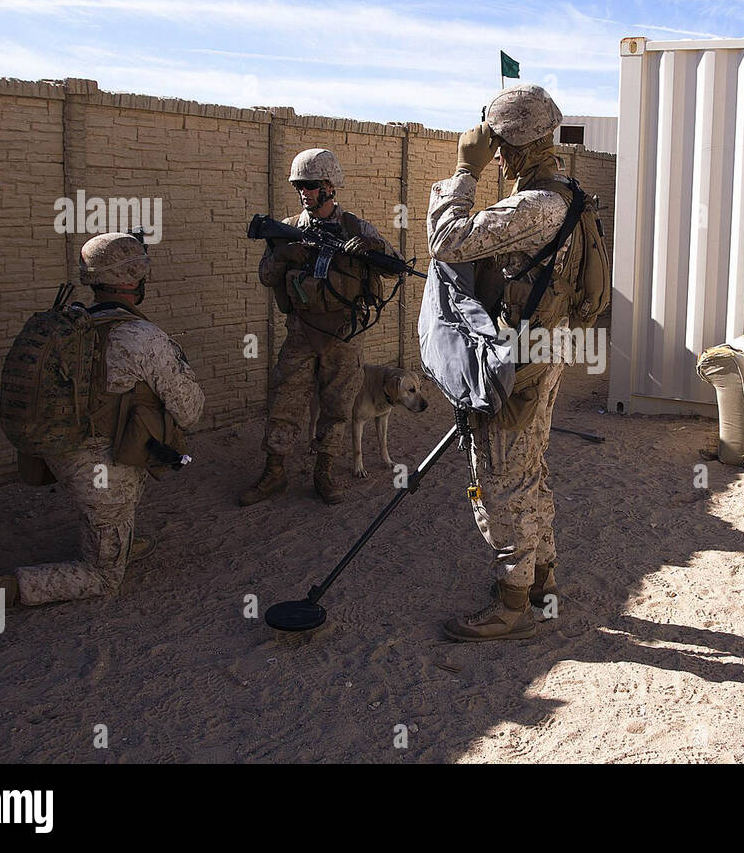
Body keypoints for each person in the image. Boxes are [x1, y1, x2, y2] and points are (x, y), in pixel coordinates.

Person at [0, 232, 204, 606]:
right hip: (102, 465)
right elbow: (190, 410)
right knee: (103, 577)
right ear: (132, 280)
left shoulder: (69, 321)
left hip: (55, 448)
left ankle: (116, 537)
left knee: (117, 495)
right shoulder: (141, 336)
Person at [426, 84, 573, 642]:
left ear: (510, 147)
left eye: (498, 144)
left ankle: (513, 605)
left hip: (522, 363)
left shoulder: (537, 206)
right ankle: (542, 581)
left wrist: (464, 172)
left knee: (499, 480)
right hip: (545, 349)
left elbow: (447, 239)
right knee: (529, 467)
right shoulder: (566, 193)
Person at [239, 148, 395, 506]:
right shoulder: (288, 229)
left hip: (343, 335)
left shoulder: (357, 227)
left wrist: (369, 247)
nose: (304, 193)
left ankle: (324, 471)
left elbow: (393, 267)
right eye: (299, 186)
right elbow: (266, 277)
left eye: (310, 186)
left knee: (338, 406)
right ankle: (274, 471)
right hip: (301, 332)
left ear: (329, 186)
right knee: (284, 402)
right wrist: (282, 255)